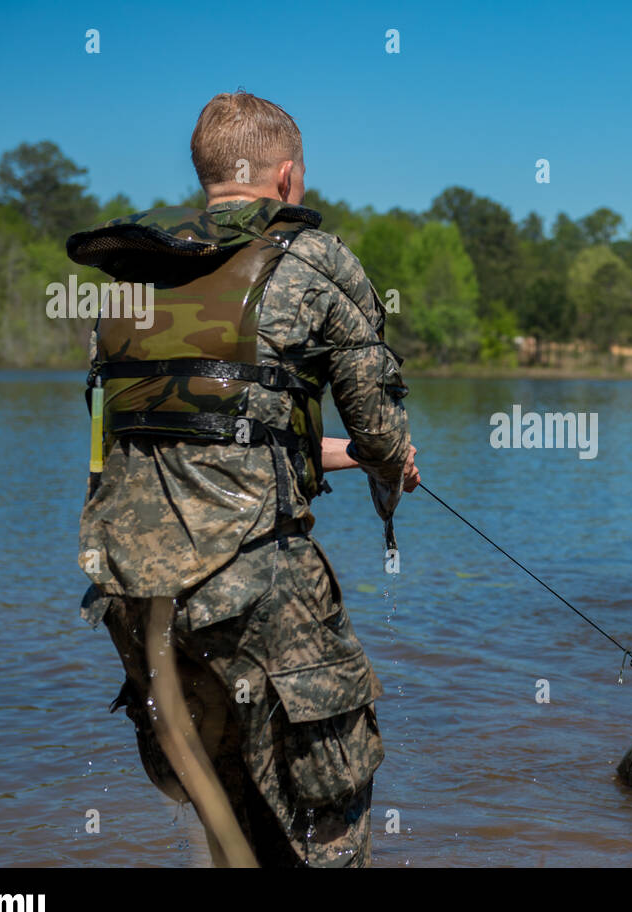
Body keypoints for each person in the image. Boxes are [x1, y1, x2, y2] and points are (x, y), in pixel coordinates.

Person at [68, 91, 417, 867]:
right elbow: (382, 430)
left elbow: (211, 437)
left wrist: (347, 454)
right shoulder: (316, 260)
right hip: (259, 597)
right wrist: (391, 463)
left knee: (232, 823)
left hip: (136, 600)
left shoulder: (132, 279)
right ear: (288, 176)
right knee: (326, 824)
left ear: (207, 175)